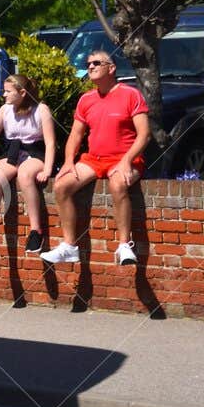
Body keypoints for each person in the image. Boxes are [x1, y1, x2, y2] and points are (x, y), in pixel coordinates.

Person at [42, 50, 149, 265]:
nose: (90, 66)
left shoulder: (131, 94)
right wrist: (69, 161)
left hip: (124, 157)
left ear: (111, 68)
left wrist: (127, 161)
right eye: (88, 63)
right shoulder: (86, 99)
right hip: (93, 159)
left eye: (96, 63)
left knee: (118, 184)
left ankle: (124, 246)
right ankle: (70, 246)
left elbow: (145, 134)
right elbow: (75, 134)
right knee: (61, 186)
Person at [0, 74, 57, 250]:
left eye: (8, 91)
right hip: (13, 153)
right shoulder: (4, 110)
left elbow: (51, 143)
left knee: (25, 175)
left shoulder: (41, 109)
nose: (4, 95)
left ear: (22, 92)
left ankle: (36, 231)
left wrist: (48, 169)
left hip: (35, 153)